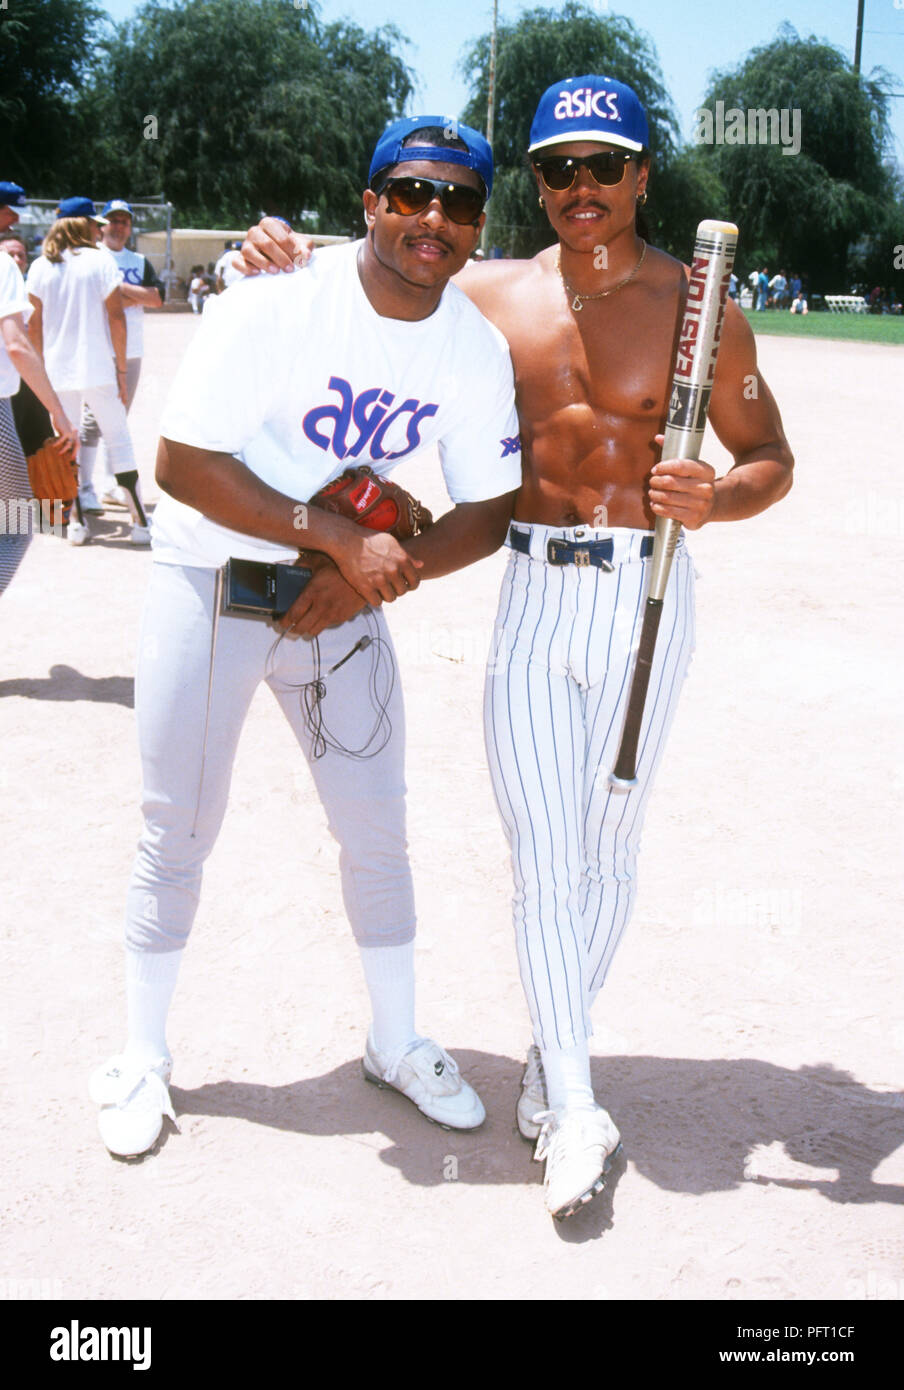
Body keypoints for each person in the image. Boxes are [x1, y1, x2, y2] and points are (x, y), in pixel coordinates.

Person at [243, 74, 794, 1221]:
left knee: (608, 846)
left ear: (644, 173)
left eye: (603, 166)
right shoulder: (486, 297)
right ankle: (579, 1097)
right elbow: (372, 289)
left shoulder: (705, 309)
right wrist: (276, 262)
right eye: (556, 169)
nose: (580, 189)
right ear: (534, 183)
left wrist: (718, 497)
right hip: (535, 592)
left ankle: (551, 1061)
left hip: (650, 592)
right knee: (543, 854)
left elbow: (768, 456)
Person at [86, 118, 523, 1163]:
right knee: (176, 826)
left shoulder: (471, 345)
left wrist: (365, 576)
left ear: (476, 225)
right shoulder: (276, 300)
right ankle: (142, 1052)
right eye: (412, 193)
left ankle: (395, 1039)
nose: (435, 218)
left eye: (460, 202)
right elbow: (186, 465)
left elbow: (490, 510)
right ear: (368, 200)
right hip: (214, 582)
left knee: (378, 830)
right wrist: (336, 538)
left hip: (340, 608)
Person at [25, 197, 149, 545]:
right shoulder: (101, 261)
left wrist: (40, 375)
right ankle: (140, 524)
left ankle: (76, 524)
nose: (98, 228)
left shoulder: (40, 266)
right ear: (81, 224)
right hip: (98, 369)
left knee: (68, 447)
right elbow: (116, 318)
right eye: (94, 223)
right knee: (120, 441)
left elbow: (33, 327)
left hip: (57, 372)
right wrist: (122, 371)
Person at [0, 181, 78, 593]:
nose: (14, 219)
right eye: (9, 210)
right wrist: (59, 413)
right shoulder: (3, 267)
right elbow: (16, 343)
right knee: (17, 523)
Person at [79, 199, 165, 510]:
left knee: (117, 419)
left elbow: (157, 298)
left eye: (124, 221)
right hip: (98, 346)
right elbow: (94, 300)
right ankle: (83, 488)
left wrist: (116, 290)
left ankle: (112, 485)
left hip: (131, 349)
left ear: (130, 227)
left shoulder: (140, 261)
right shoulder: (91, 256)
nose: (118, 226)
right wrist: (131, 293)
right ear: (102, 226)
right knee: (91, 420)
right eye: (113, 221)